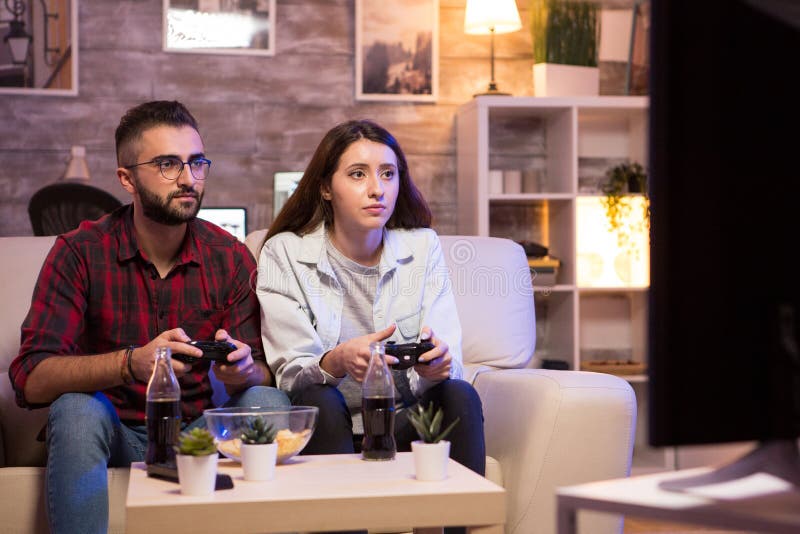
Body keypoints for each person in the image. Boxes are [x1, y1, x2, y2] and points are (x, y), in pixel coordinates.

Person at [9, 100, 290, 534]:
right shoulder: (80, 252)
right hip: (114, 431)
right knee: (76, 411)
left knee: (268, 402)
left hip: (200, 432)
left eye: (197, 163)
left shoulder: (230, 257)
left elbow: (262, 373)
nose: (188, 179)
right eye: (167, 164)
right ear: (127, 179)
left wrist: (244, 373)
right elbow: (30, 378)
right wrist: (130, 363)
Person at [256, 120, 485, 479]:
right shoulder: (283, 252)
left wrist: (435, 368)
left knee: (458, 393)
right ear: (326, 188)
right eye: (358, 174)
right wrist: (336, 360)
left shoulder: (423, 246)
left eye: (388, 174)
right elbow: (290, 375)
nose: (377, 189)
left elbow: (449, 358)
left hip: (404, 423)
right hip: (331, 426)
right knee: (320, 399)